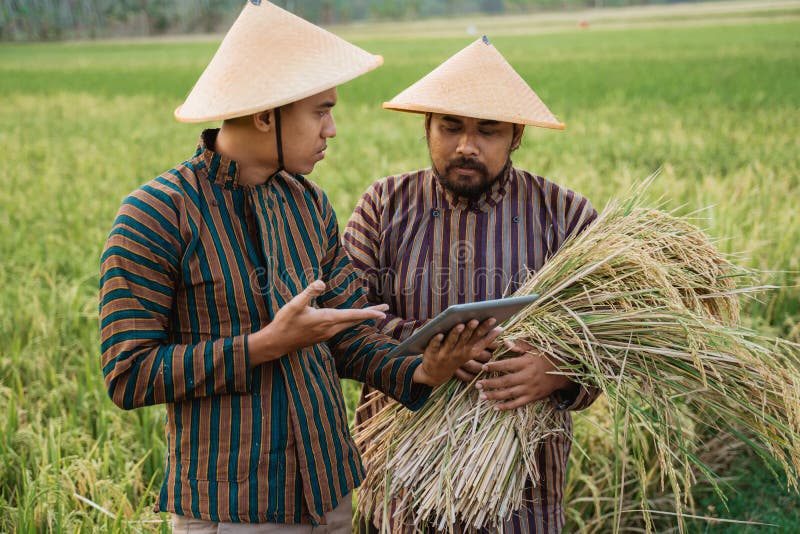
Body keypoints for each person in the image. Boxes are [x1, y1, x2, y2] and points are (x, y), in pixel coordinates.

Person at [98, 4, 500, 533]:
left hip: (329, 491)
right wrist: (265, 344)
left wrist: (425, 370)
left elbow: (351, 329)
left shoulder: (308, 205)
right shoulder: (157, 214)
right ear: (267, 115)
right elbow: (129, 374)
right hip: (235, 507)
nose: (331, 129)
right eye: (320, 111)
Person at [343, 36, 600, 533]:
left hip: (521, 498)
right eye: (451, 126)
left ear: (516, 134)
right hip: (398, 488)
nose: (466, 145)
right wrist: (428, 351)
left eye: (488, 130)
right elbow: (346, 325)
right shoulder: (383, 205)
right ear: (427, 127)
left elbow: (613, 339)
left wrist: (558, 372)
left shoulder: (565, 216)